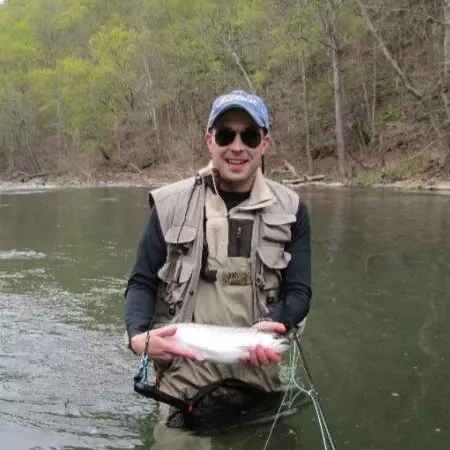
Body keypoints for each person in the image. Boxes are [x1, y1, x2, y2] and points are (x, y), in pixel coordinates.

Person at [124, 89, 312, 435]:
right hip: (183, 373)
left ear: (264, 143)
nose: (237, 146)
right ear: (209, 140)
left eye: (249, 135)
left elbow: (300, 292)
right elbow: (141, 283)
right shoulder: (169, 205)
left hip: (260, 375)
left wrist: (279, 322)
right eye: (226, 135)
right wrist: (137, 335)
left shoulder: (292, 209)